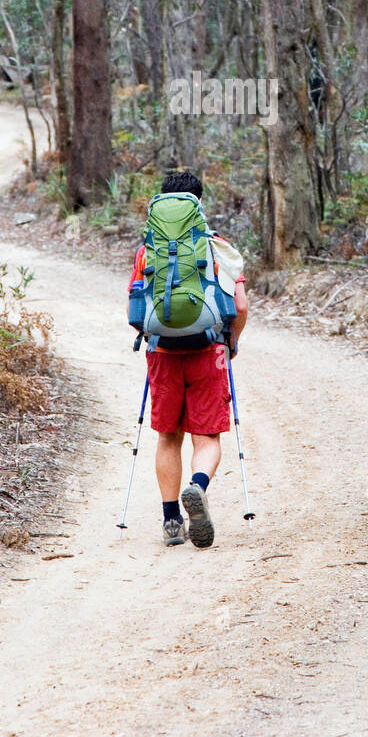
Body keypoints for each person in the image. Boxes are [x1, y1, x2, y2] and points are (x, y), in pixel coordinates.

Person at [127, 170, 248, 548]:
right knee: (207, 436)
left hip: (162, 352)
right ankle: (197, 487)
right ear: (198, 203)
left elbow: (134, 308)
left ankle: (170, 522)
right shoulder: (215, 246)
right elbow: (240, 305)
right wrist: (232, 343)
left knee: (168, 436)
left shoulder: (148, 249)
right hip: (207, 349)